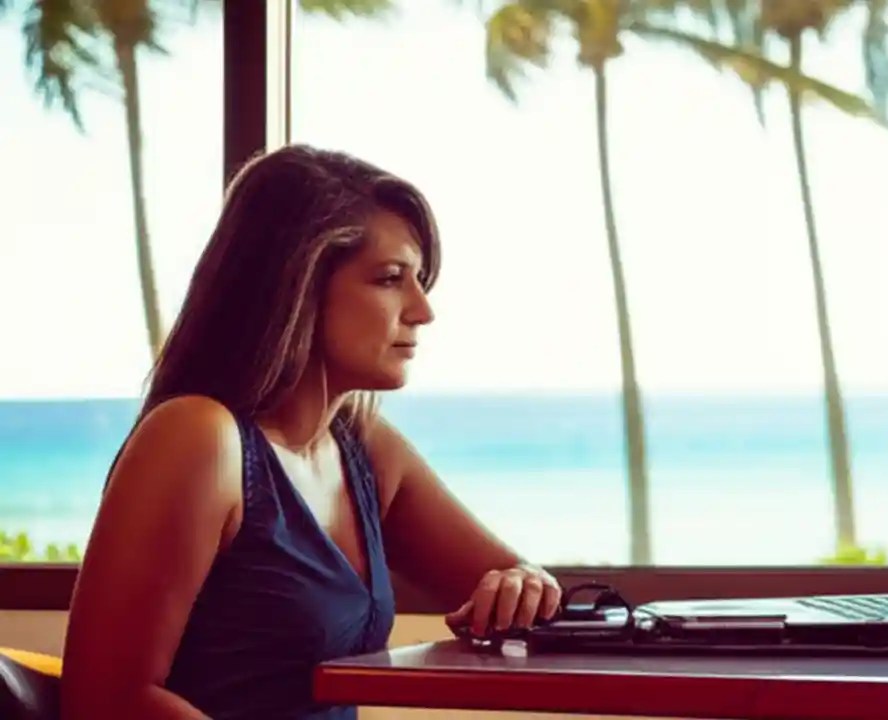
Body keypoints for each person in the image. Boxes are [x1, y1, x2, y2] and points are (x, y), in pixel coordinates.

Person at [60, 144, 561, 720]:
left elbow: (516, 590)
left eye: (419, 280)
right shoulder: (199, 438)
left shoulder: (364, 447)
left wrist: (526, 583)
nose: (422, 309)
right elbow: (108, 702)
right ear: (299, 283)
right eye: (390, 278)